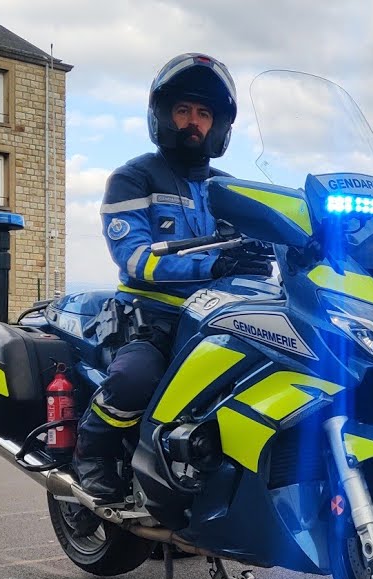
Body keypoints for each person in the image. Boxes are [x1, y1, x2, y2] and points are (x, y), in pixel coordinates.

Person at [71, 53, 272, 517]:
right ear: (163, 115)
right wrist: (211, 267)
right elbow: (135, 259)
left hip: (222, 316)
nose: (193, 122)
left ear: (219, 125)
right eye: (184, 110)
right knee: (135, 377)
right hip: (152, 317)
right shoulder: (133, 177)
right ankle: (92, 449)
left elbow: (277, 238)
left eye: (204, 114)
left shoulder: (232, 189)